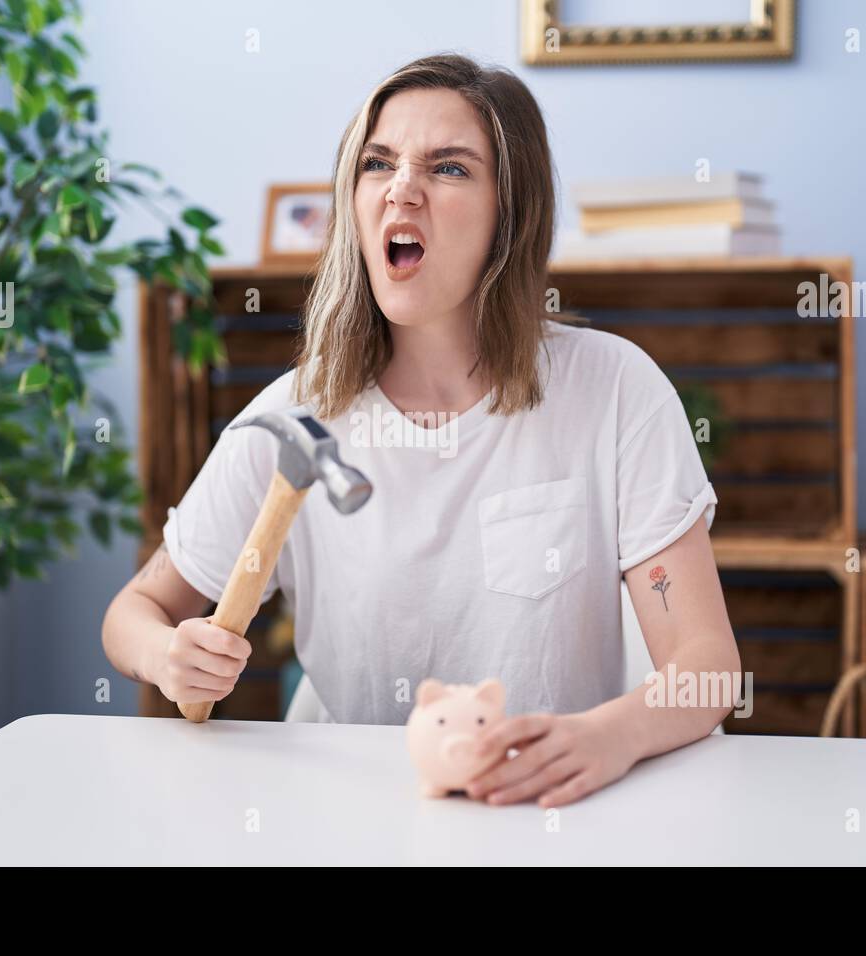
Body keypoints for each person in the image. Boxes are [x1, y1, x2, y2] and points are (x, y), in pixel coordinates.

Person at [102, 53, 740, 808]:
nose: (403, 187)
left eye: (449, 168)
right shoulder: (291, 422)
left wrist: (609, 737)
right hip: (359, 818)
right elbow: (131, 615)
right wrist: (167, 655)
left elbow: (706, 667)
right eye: (379, 164)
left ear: (513, 212)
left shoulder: (615, 391)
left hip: (556, 812)